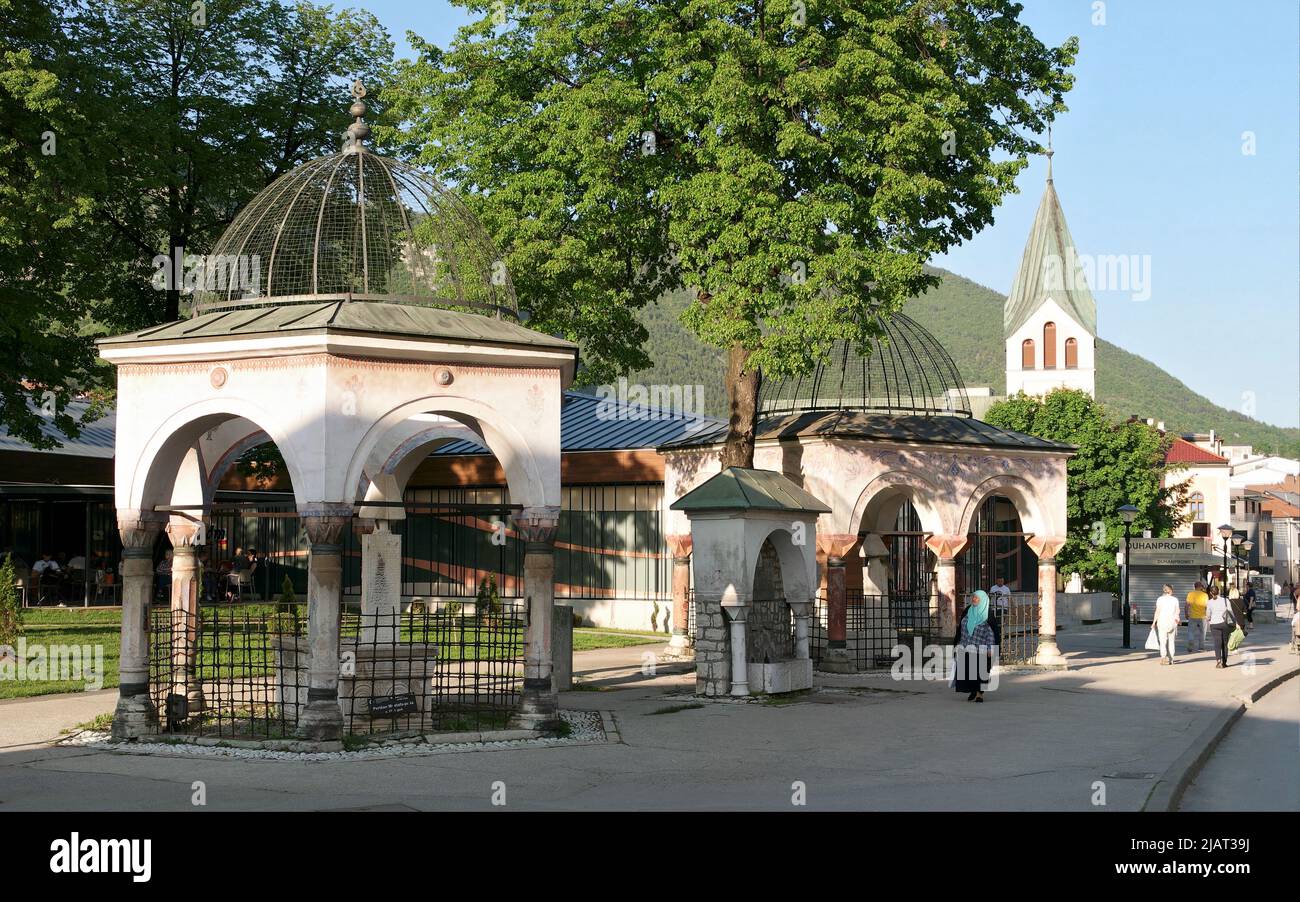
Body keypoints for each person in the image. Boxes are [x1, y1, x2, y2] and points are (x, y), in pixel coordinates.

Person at [953, 590, 998, 702]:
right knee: (967, 671)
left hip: (981, 649)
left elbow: (991, 634)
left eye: (977, 598)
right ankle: (973, 690)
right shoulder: (968, 611)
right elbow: (961, 629)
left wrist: (990, 648)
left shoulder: (988, 614)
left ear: (983, 599)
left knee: (980, 671)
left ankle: (979, 693)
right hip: (966, 646)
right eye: (973, 597)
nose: (974, 599)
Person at [1205, 586, 1234, 669]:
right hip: (1225, 623)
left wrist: (1208, 618)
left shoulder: (1209, 602)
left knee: (1217, 643)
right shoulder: (1225, 600)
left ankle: (1218, 661)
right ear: (1219, 591)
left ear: (1210, 593)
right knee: (1225, 643)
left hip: (1214, 624)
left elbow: (1208, 615)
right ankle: (1224, 662)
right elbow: (1230, 611)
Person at [1152, 584, 1181, 665]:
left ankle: (1163, 657)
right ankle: (1171, 659)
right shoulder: (1175, 599)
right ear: (1171, 590)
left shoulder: (1160, 599)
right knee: (1171, 642)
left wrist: (1154, 622)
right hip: (1172, 623)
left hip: (1162, 622)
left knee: (1162, 641)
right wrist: (1177, 619)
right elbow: (1178, 611)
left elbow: (1157, 611)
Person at [1185, 581, 1208, 653]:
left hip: (1192, 616)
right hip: (1203, 616)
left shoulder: (1190, 594)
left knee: (1191, 631)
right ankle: (1201, 648)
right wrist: (1208, 615)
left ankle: (1190, 645)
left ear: (1194, 587)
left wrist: (1186, 613)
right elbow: (1207, 606)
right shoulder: (1205, 595)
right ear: (1201, 587)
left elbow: (1187, 605)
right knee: (1202, 633)